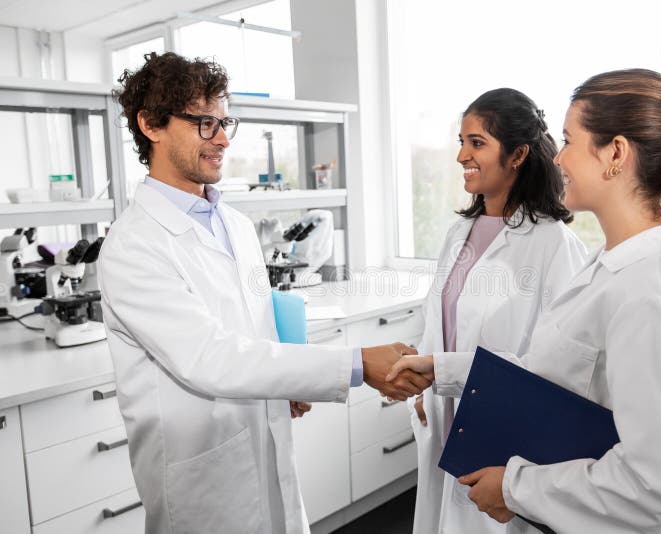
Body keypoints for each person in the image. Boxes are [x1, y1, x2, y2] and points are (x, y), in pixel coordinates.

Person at [390, 68, 661, 533]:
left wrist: (514, 488)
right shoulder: (613, 266)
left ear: (616, 154)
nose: (557, 157)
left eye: (567, 140)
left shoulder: (651, 294)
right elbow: (553, 377)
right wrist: (442, 371)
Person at [99, 52, 428, 534]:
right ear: (151, 124)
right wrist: (356, 364)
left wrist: (289, 379)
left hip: (264, 439)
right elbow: (209, 358)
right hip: (202, 480)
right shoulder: (132, 246)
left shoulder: (235, 224)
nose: (223, 138)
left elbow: (251, 327)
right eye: (205, 123)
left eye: (224, 121)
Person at [409, 88, 586, 534]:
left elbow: (558, 367)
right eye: (461, 142)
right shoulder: (459, 233)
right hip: (444, 418)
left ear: (518, 154)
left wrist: (440, 369)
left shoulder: (553, 244)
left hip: (504, 436)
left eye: (477, 143)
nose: (461, 156)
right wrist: (420, 385)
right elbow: (437, 319)